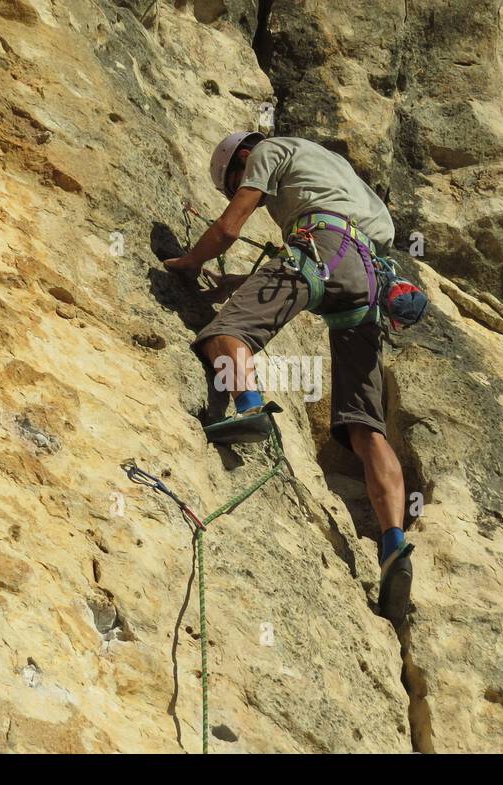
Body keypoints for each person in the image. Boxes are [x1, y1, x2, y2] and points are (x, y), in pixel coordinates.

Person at [163, 131, 415, 626]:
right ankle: (394, 543)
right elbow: (341, 260)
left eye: (234, 180)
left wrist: (188, 263)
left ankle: (251, 409)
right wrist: (243, 284)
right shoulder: (341, 176)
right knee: (366, 428)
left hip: (320, 250)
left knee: (226, 334)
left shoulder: (268, 152)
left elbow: (230, 229)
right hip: (368, 279)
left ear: (240, 158)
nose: (241, 185)